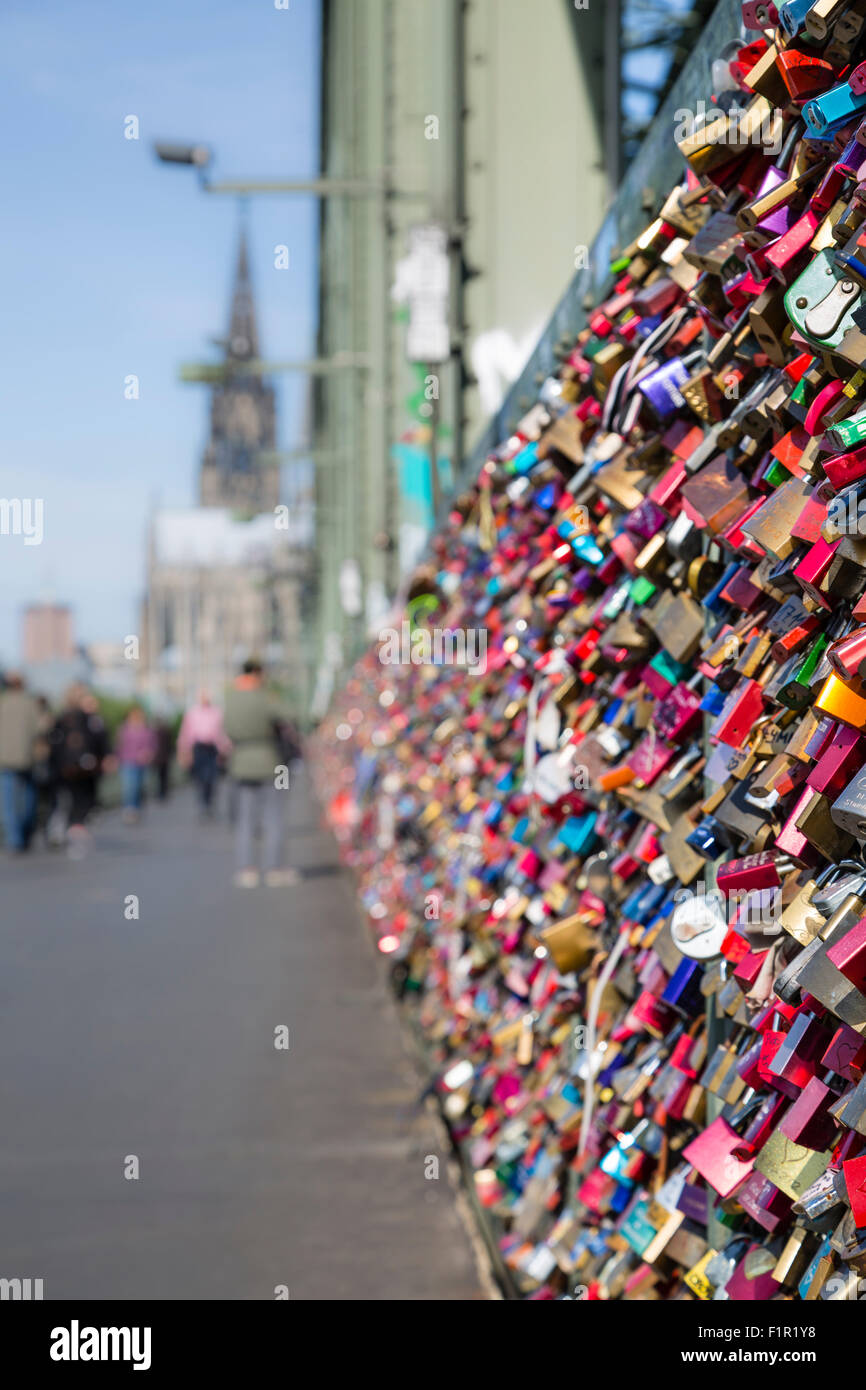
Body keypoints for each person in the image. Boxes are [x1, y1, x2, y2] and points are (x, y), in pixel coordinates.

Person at [223, 659, 298, 888]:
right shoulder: (263, 696)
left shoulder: (231, 698)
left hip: (240, 762)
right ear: (258, 673)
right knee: (273, 816)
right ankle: (274, 869)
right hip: (270, 761)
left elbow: (226, 728)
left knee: (245, 819)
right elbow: (290, 714)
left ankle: (247, 870)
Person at [49, 685, 111, 857]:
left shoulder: (64, 718)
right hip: (81, 768)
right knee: (79, 804)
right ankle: (74, 835)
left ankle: (69, 833)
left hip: (70, 769)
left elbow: (54, 744)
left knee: (70, 803)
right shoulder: (87, 720)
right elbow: (100, 740)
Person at [0, 673, 41, 854]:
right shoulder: (30, 704)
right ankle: (25, 831)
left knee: (8, 802)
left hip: (4, 759)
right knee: (28, 796)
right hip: (27, 758)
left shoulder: (2, 703)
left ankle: (14, 839)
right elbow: (41, 728)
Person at [177, 691, 231, 818]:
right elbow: (186, 734)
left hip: (213, 748)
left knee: (211, 777)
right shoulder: (192, 713)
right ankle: (203, 803)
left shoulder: (217, 713)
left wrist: (225, 749)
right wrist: (184, 752)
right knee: (199, 777)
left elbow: (222, 732)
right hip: (198, 748)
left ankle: (209, 801)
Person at [116, 705, 158, 823]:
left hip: (142, 762)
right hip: (127, 761)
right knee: (129, 786)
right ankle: (129, 809)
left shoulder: (147, 729)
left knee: (139, 786)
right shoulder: (124, 729)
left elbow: (153, 745)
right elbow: (119, 746)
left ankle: (137, 808)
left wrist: (149, 753)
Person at [152, 719, 174, 801]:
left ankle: (161, 793)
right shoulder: (166, 732)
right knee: (163, 777)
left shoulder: (155, 733)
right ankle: (162, 792)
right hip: (163, 758)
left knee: (160, 777)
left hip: (160, 758)